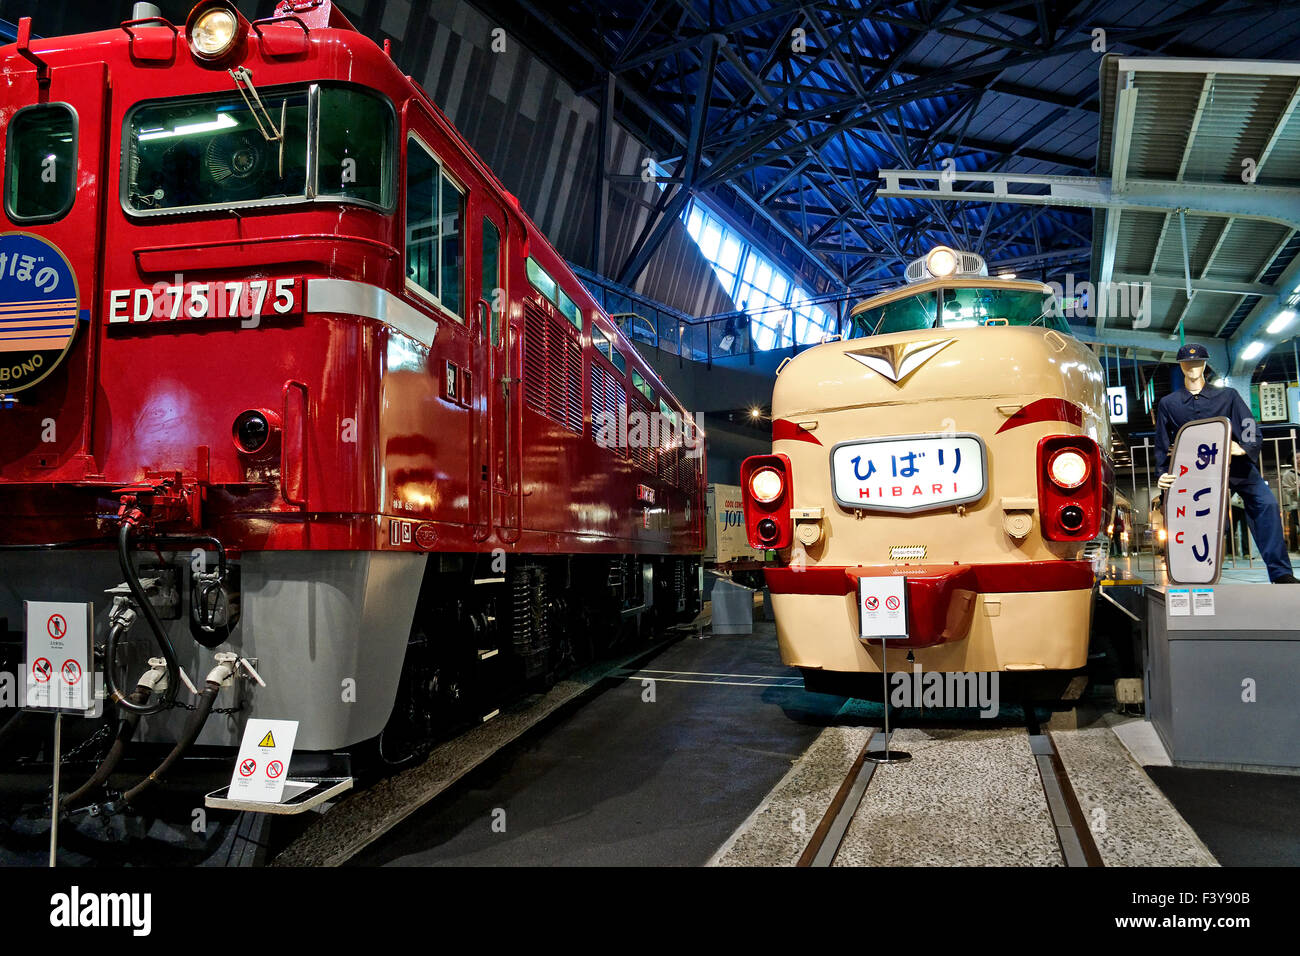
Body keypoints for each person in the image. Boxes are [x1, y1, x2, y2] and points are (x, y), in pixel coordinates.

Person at [1154, 343, 1297, 583]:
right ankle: (1195, 573)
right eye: (1188, 363)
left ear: (1205, 365)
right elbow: (1162, 441)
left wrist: (1244, 447)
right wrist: (1161, 472)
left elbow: (1249, 425)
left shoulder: (1228, 396)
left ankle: (1280, 573)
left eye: (1198, 362)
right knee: (1196, 519)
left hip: (1236, 467)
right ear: (1181, 365)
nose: (1193, 366)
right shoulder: (1169, 403)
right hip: (1197, 471)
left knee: (1266, 503)